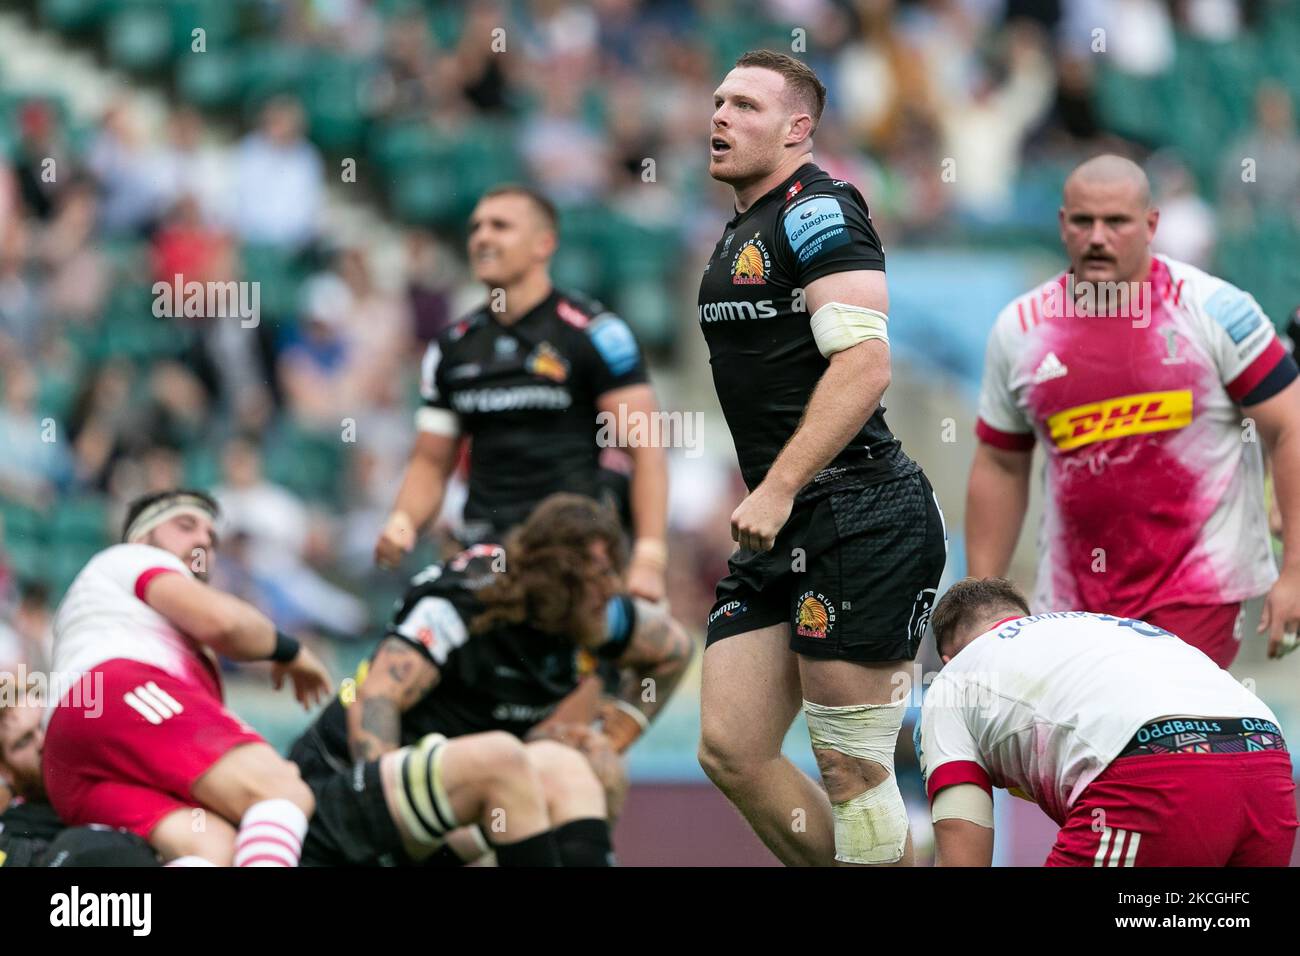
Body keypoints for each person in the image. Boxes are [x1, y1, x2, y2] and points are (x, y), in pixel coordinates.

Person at [695, 50, 948, 867]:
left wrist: (777, 485)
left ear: (798, 128)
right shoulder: (739, 226)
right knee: (731, 749)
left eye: (745, 106)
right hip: (786, 524)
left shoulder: (820, 209)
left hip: (860, 511)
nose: (720, 117)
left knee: (851, 768)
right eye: (718, 103)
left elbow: (864, 364)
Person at [966, 154, 1300, 667]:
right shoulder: (1021, 328)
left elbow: (1290, 426)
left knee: (1162, 738)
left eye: (1116, 221)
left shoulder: (1216, 309)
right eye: (1083, 221)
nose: (1098, 237)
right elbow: (1000, 462)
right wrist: (980, 604)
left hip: (1198, 594)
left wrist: (1295, 575)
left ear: (1150, 225)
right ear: (1062, 224)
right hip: (1071, 608)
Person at [292, 494, 693, 866]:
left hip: (454, 798)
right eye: (599, 579)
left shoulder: (592, 616)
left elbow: (673, 651)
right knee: (503, 760)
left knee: (573, 768)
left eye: (611, 575)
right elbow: (376, 698)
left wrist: (611, 738)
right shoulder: (467, 599)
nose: (613, 591)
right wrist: (390, 821)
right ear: (558, 584)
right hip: (339, 798)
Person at [374, 184, 670, 606]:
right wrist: (401, 524)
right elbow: (429, 462)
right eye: (476, 227)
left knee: (667, 652)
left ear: (543, 244)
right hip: (484, 554)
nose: (482, 237)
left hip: (572, 556)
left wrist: (649, 557)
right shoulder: (452, 347)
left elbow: (646, 451)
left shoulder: (596, 333)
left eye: (500, 226)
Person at [41, 488, 333, 866]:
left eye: (211, 538)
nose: (201, 541)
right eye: (185, 526)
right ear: (141, 536)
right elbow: (226, 623)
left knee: (213, 850)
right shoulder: (132, 558)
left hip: (69, 762)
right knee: (282, 790)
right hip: (120, 696)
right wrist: (291, 651)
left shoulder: (115, 607)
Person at [920, 577, 1298, 866]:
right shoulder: (1101, 626)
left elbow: (962, 848)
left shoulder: (954, 681)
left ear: (949, 657)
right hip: (1266, 762)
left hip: (1159, 769)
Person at [0, 675, 158, 867]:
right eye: (24, 741)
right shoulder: (16, 844)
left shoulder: (119, 774)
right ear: (4, 769)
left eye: (44, 724)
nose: (42, 741)